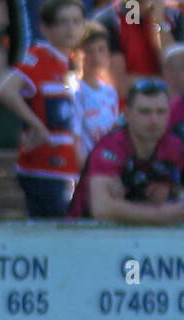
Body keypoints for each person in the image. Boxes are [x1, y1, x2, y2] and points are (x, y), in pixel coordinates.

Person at [0, 0, 86, 218]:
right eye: (62, 23)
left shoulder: (73, 63)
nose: (71, 29)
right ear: (46, 28)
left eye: (76, 22)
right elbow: (5, 89)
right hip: (44, 167)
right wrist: (37, 126)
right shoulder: (40, 56)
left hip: (69, 168)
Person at [68, 76, 184, 220]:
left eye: (161, 112)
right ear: (127, 115)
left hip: (146, 237)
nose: (154, 120)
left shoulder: (174, 147)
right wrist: (167, 213)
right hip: (85, 234)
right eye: (145, 112)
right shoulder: (110, 147)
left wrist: (123, 206)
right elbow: (102, 209)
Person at [95, 0, 184, 99]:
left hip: (169, 108)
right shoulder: (108, 21)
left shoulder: (175, 17)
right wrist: (166, 85)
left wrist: (159, 21)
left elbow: (177, 73)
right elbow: (121, 85)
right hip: (125, 110)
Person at [76, 21, 122, 158]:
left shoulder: (110, 93)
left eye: (101, 50)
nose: (96, 57)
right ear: (75, 55)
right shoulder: (73, 90)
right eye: (88, 51)